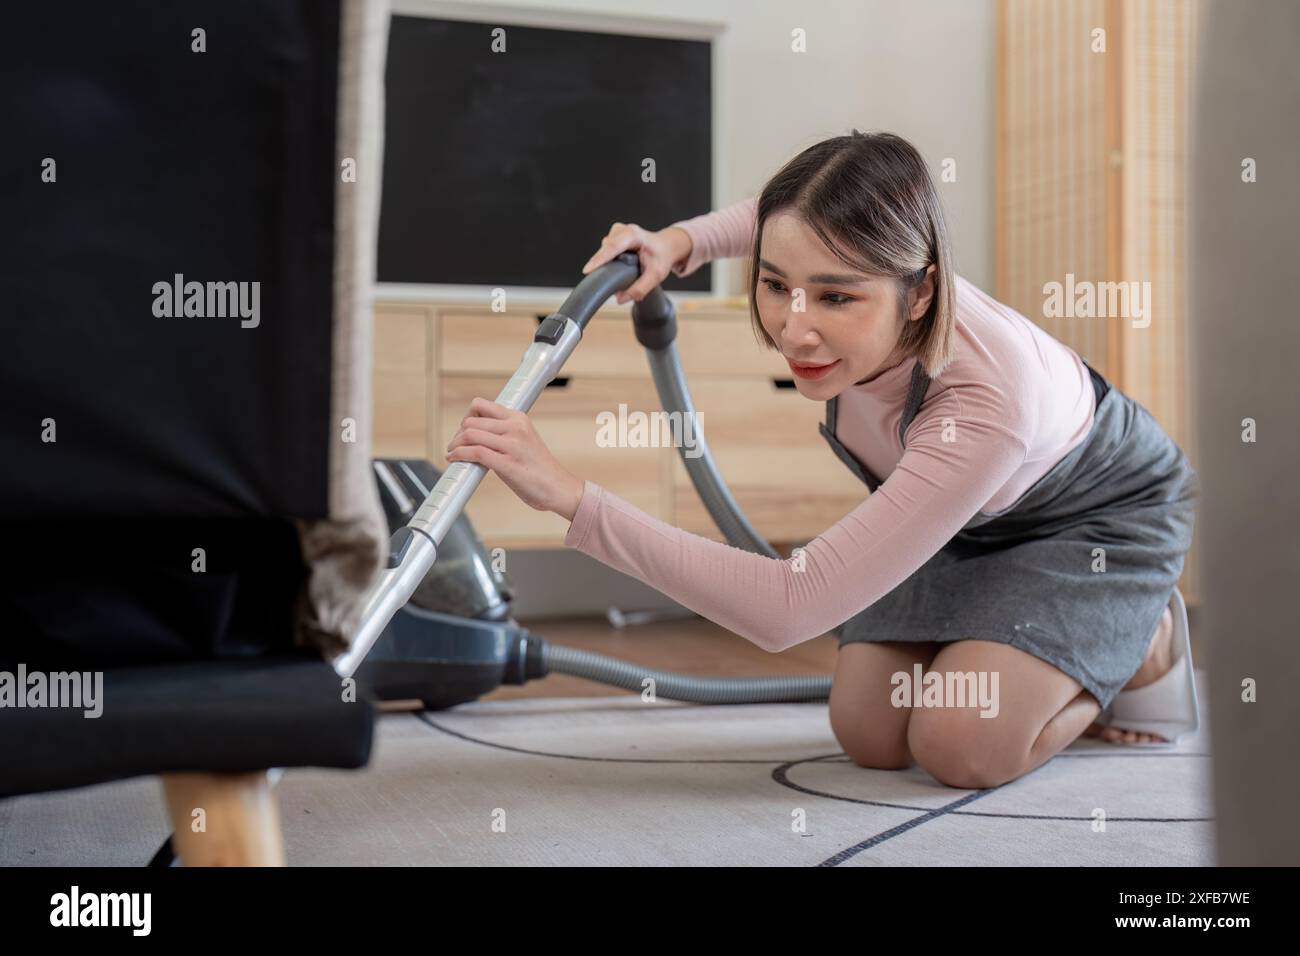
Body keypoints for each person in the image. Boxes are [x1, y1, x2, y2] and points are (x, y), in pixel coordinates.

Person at [445, 130, 1199, 789]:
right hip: (967, 516)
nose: (794, 331)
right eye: (776, 287)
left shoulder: (986, 401)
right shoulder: (852, 284)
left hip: (1093, 521)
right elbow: (777, 223)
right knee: (871, 735)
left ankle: (1137, 644)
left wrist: (570, 497)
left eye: (836, 299)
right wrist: (678, 242)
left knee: (958, 743)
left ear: (919, 292)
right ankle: (1024, 647)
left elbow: (786, 609)